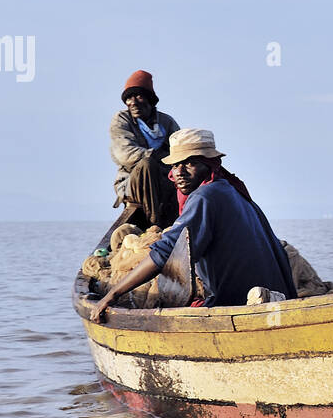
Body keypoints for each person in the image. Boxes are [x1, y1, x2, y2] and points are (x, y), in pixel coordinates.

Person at [91, 128, 296, 320]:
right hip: (279, 301)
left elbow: (163, 254)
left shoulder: (205, 197)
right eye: (174, 165)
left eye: (189, 163)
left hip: (240, 305)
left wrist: (112, 294)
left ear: (210, 164)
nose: (179, 171)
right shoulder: (235, 191)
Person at [110, 70, 181, 228]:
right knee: (147, 164)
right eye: (129, 98)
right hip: (132, 182)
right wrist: (160, 156)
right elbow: (126, 154)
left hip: (164, 180)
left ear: (149, 100)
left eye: (139, 96)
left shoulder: (166, 122)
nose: (133, 102)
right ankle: (154, 224)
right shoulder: (122, 120)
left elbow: (181, 151)